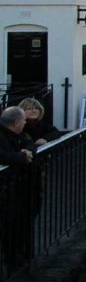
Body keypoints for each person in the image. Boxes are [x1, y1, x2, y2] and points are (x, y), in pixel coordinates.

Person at [0, 106, 37, 270]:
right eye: (23, 121)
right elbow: (3, 156)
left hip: (15, 190)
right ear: (15, 123)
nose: (25, 123)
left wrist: (27, 151)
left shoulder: (17, 134)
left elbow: (30, 143)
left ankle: (17, 258)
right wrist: (22, 156)